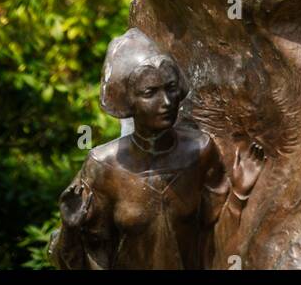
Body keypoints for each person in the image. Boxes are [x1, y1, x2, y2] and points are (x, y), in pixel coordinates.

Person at [50, 30, 264, 270]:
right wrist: (70, 229)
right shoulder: (103, 165)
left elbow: (213, 236)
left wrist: (239, 194)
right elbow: (89, 254)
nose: (166, 102)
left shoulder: (199, 151)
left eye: (170, 88)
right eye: (150, 93)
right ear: (128, 100)